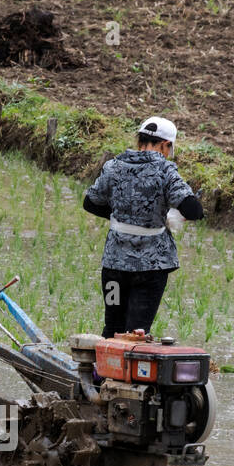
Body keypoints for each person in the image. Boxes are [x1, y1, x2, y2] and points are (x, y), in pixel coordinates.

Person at [82, 116, 203, 338]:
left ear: (140, 140)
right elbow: (194, 210)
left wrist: (123, 217)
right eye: (170, 148)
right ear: (166, 145)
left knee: (112, 326)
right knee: (136, 333)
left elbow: (89, 202)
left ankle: (104, 371)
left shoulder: (113, 166)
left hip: (113, 269)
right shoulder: (166, 171)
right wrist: (164, 217)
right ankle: (129, 373)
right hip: (151, 272)